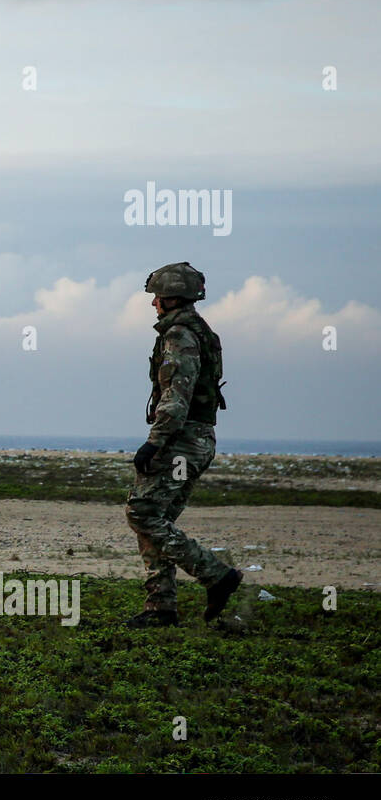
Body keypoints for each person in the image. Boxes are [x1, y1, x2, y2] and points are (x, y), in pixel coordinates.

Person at [125, 262, 242, 627]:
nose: (153, 303)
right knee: (154, 520)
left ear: (172, 297)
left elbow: (176, 397)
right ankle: (160, 608)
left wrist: (154, 443)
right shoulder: (195, 332)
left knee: (142, 512)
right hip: (196, 438)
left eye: (157, 296)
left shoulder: (180, 336)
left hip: (182, 441)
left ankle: (215, 575)